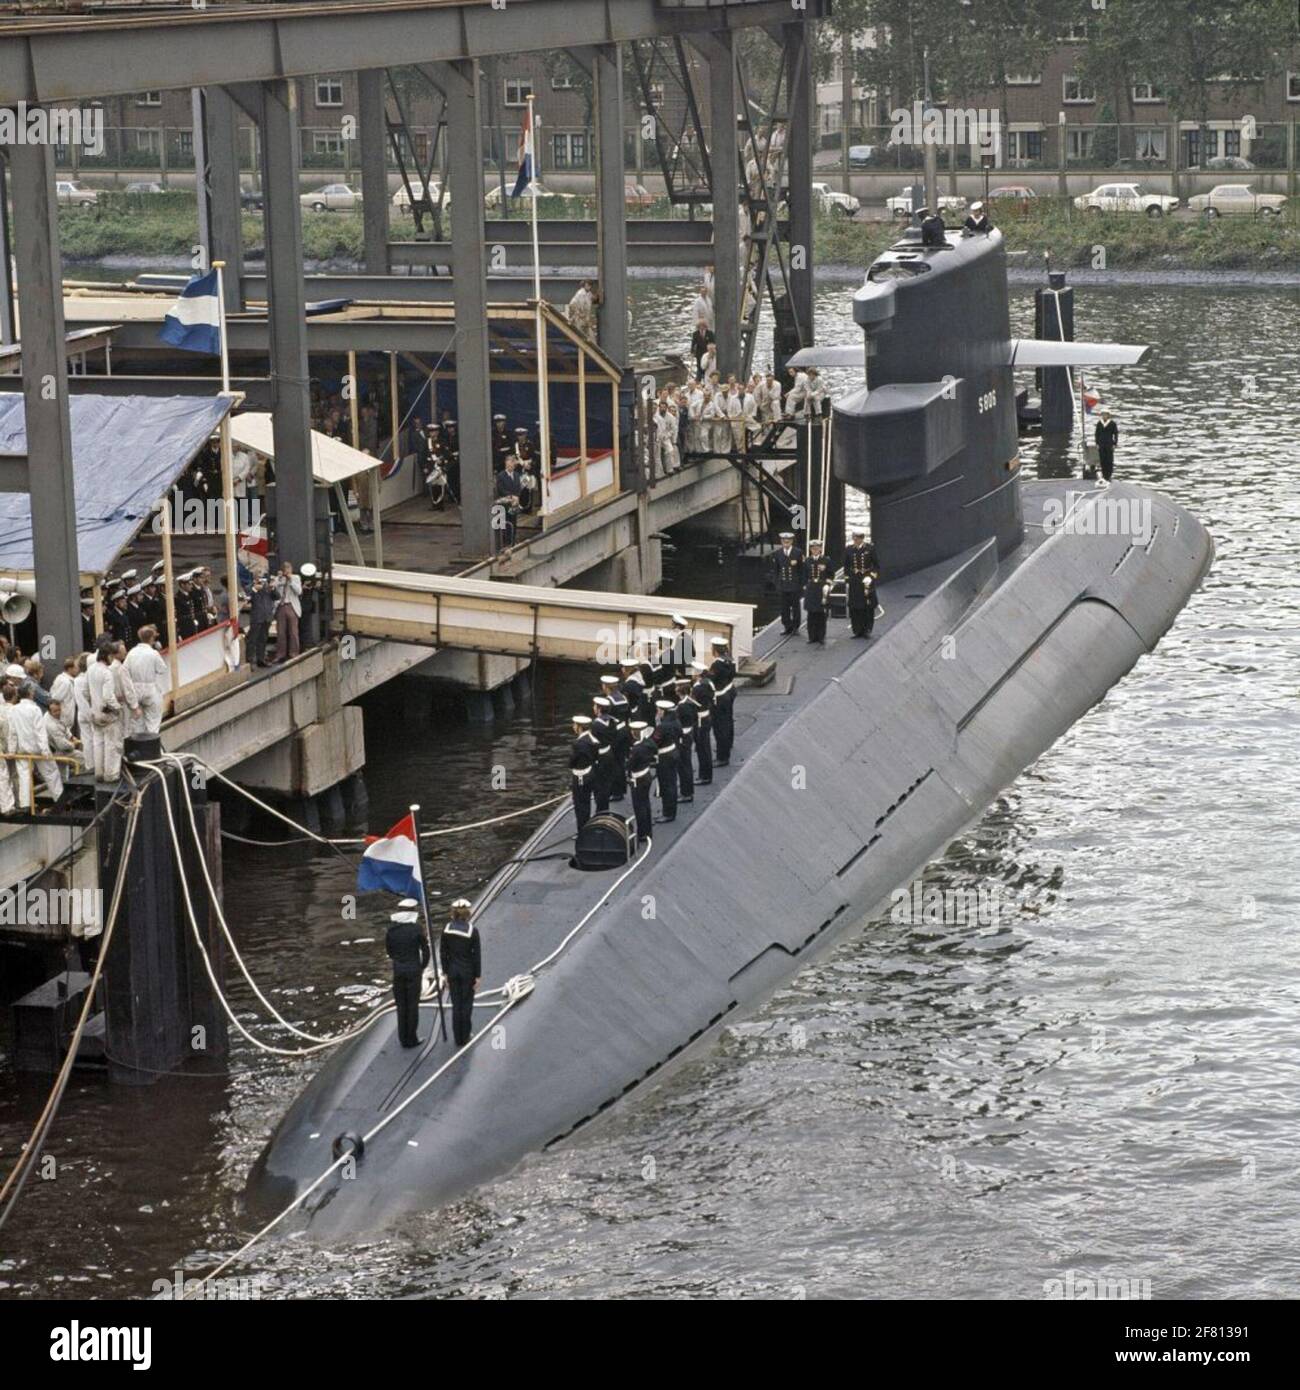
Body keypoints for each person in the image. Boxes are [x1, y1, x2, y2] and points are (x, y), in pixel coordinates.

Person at [10, 683, 62, 806]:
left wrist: (12, 751)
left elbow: (12, 733)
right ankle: (60, 799)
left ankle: (25, 805)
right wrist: (45, 750)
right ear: (31, 693)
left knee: (24, 776)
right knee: (51, 772)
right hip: (38, 749)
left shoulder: (14, 710)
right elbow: (40, 731)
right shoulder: (35, 709)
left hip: (22, 749)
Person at [440, 898, 481, 1048]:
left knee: (456, 1005)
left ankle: (458, 1037)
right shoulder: (472, 931)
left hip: (452, 971)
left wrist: (445, 972)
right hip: (467, 972)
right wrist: (477, 976)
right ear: (467, 914)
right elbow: (476, 955)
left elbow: (443, 953)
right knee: (466, 1004)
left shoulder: (446, 930)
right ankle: (465, 1035)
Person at [385, 908, 428, 1049]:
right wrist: (422, 966)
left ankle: (403, 1038)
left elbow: (389, 952)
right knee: (412, 1005)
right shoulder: (417, 929)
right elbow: (425, 950)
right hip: (414, 970)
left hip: (398, 971)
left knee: (401, 1006)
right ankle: (412, 1038)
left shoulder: (391, 931)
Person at [125, 626, 169, 735]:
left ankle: (140, 747)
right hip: (150, 688)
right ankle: (152, 746)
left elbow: (125, 670)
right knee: (153, 722)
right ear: (152, 639)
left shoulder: (132, 653)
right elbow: (162, 669)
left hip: (135, 689)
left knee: (137, 723)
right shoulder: (153, 653)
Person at [843, 527, 880, 639]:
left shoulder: (870, 549)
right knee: (855, 606)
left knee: (867, 606)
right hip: (855, 581)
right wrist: (847, 579)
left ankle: (867, 629)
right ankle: (857, 630)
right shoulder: (849, 549)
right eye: (855, 538)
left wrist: (871, 577)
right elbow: (846, 566)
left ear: (862, 538)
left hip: (866, 580)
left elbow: (876, 566)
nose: (856, 540)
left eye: (858, 538)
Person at [600, 674, 630, 802]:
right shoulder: (623, 698)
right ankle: (621, 789)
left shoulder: (609, 701)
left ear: (606, 687)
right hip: (624, 730)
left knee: (614, 763)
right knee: (621, 761)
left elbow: (606, 719)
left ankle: (616, 791)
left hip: (615, 733)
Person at [625, 721, 656, 842]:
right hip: (646, 775)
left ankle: (642, 833)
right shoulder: (648, 743)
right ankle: (648, 831)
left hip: (638, 779)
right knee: (646, 804)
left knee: (639, 807)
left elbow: (630, 765)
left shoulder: (636, 749)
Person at [708, 635, 736, 766]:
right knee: (728, 721)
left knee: (720, 727)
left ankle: (722, 756)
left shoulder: (717, 664)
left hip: (720, 698)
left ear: (715, 650)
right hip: (729, 692)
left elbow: (710, 680)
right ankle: (727, 745)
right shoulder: (729, 660)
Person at [651, 698, 680, 822]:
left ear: (663, 711)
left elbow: (654, 742)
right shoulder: (676, 722)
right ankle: (671, 811)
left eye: (658, 710)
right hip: (673, 752)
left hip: (664, 757)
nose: (657, 712)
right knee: (672, 783)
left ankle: (668, 813)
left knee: (666, 785)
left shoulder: (662, 727)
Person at [687, 660, 714, 784]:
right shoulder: (707, 682)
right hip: (706, 716)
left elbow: (693, 704)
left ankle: (705, 776)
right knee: (705, 747)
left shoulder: (698, 687)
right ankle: (706, 774)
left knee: (702, 748)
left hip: (700, 720)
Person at [772, 531, 804, 635]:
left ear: (791, 541)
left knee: (795, 607)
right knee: (784, 608)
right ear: (781, 542)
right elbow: (776, 570)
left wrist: (800, 585)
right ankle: (787, 626)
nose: (786, 543)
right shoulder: (778, 553)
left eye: (788, 541)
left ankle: (795, 627)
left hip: (794, 585)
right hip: (783, 585)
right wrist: (777, 583)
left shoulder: (797, 552)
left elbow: (801, 570)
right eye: (784, 541)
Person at [569, 713, 597, 832]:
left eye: (575, 725)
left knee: (580, 805)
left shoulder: (578, 744)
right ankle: (587, 827)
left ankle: (582, 830)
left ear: (580, 727)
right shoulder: (593, 740)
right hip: (590, 773)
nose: (573, 727)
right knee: (586, 802)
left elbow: (572, 762)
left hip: (580, 776)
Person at [803, 539, 833, 644]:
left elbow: (830, 575)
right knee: (811, 615)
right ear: (810, 549)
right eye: (813, 548)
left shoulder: (826, 560)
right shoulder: (807, 560)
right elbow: (804, 575)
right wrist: (805, 586)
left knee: (821, 614)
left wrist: (827, 585)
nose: (815, 550)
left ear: (820, 549)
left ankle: (821, 637)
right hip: (811, 589)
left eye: (817, 548)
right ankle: (812, 637)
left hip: (821, 589)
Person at [590, 696, 616, 814]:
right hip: (609, 753)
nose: (593, 708)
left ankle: (600, 810)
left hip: (600, 757)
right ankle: (604, 808)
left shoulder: (595, 725)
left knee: (599, 785)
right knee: (606, 783)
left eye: (595, 706)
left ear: (599, 709)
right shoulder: (611, 720)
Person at [673, 677, 696, 804]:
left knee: (684, 766)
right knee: (686, 764)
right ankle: (688, 791)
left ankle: (686, 793)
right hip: (688, 734)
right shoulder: (691, 702)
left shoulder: (681, 707)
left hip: (683, 738)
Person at [273, 562, 302, 662]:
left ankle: (294, 653)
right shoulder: (278, 579)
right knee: (281, 632)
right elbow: (274, 590)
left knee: (293, 631)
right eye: (285, 569)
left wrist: (290, 581)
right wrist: (279, 579)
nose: (287, 571)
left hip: (291, 605)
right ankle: (280, 654)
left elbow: (299, 591)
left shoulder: (296, 578)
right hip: (281, 606)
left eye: (288, 569)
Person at [494, 453, 522, 548]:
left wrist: (517, 497)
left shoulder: (517, 475)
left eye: (512, 464)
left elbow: (518, 487)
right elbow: (500, 489)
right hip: (505, 503)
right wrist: (511, 496)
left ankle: (513, 541)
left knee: (514, 521)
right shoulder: (501, 476)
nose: (510, 466)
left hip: (514, 503)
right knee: (506, 522)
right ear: (506, 464)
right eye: (508, 464)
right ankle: (506, 542)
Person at [248, 575, 276, 667]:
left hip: (266, 617)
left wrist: (272, 588)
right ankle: (250, 661)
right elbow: (247, 596)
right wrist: (255, 588)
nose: (260, 581)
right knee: (252, 639)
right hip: (256, 617)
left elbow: (277, 596)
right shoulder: (250, 587)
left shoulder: (267, 588)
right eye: (258, 578)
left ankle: (261, 659)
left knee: (263, 639)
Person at [1095, 409, 1119, 483]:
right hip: (1101, 444)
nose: (1104, 416)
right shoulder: (1099, 423)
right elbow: (1096, 434)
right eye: (1103, 414)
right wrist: (1097, 443)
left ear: (1108, 415)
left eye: (1105, 414)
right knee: (1102, 460)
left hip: (1109, 444)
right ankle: (1104, 474)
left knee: (1109, 460)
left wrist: (1115, 443)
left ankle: (1108, 475)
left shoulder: (1112, 423)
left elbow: (1116, 434)